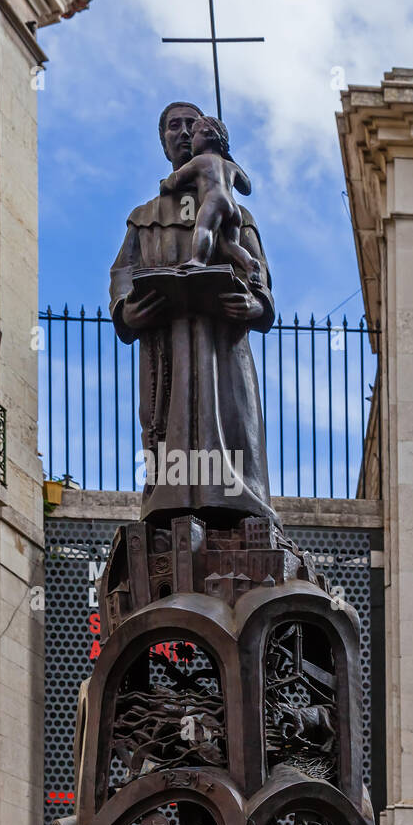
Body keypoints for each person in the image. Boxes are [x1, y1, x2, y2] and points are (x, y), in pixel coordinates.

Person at [110, 101, 279, 526]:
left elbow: (262, 284)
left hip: (223, 352)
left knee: (232, 434)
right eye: (173, 126)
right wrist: (127, 310)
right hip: (165, 350)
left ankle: (239, 508)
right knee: (167, 433)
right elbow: (123, 272)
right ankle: (170, 516)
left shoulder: (239, 216)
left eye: (191, 124)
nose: (183, 132)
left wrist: (254, 304)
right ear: (163, 140)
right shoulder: (143, 217)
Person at [159, 114, 261, 282]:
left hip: (213, 201)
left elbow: (176, 180)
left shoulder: (199, 161)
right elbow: (246, 187)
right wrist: (227, 155)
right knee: (230, 244)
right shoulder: (230, 165)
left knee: (204, 229)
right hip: (232, 207)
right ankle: (249, 262)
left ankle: (198, 260)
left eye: (194, 135)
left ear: (206, 135)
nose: (190, 140)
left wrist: (165, 184)